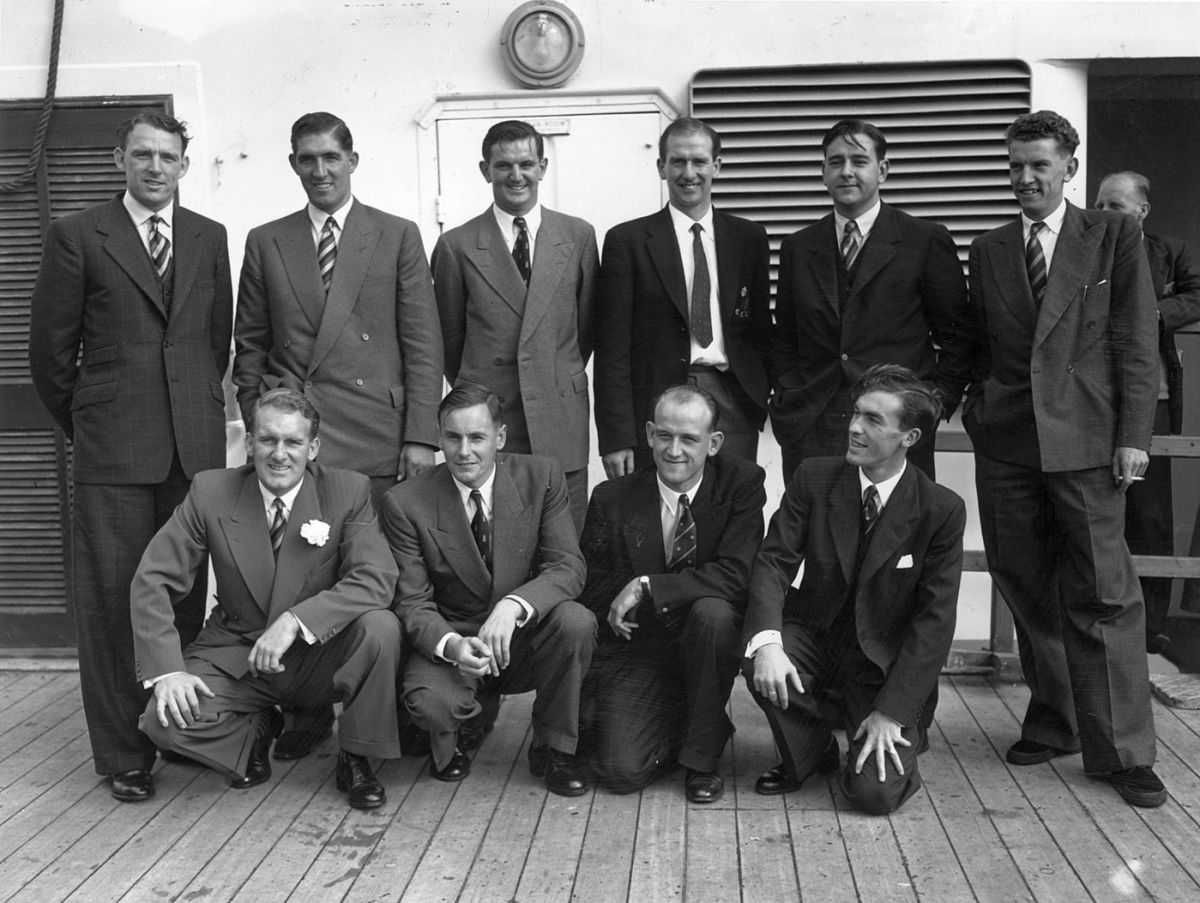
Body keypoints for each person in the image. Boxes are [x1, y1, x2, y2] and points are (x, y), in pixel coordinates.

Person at [28, 111, 232, 803]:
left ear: (183, 162)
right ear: (120, 159)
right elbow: (50, 358)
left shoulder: (210, 236)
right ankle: (123, 755)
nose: (154, 167)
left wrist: (194, 420)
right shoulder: (77, 235)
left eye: (167, 156)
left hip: (192, 454)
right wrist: (95, 426)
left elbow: (216, 344)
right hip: (113, 454)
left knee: (180, 601)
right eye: (141, 154)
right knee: (115, 605)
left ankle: (170, 731)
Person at [965, 111, 1165, 807]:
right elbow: (977, 345)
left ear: (1069, 169)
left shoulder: (1112, 234)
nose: (1025, 178)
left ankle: (1125, 750)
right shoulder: (989, 248)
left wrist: (1133, 433)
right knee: (1027, 584)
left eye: (1039, 165)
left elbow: (1137, 339)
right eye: (1015, 165)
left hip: (1087, 442)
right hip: (1010, 443)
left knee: (1105, 593)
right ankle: (1056, 720)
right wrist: (975, 405)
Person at [233, 111, 443, 758]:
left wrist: (419, 436)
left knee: (381, 579)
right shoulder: (268, 241)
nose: (320, 171)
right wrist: (270, 421)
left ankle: (390, 715)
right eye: (306, 159)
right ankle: (309, 706)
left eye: (331, 157)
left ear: (354, 159)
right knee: (302, 578)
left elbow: (422, 342)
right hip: (303, 447)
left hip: (378, 437)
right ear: (292, 164)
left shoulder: (396, 234)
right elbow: (250, 347)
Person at [131, 389, 401, 809]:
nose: (280, 454)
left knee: (380, 627)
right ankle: (254, 731)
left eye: (293, 442)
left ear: (313, 448)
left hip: (317, 654)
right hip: (239, 652)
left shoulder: (347, 490)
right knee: (163, 723)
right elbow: (152, 579)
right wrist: (167, 671)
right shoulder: (211, 491)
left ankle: (356, 755)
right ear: (250, 442)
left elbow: (376, 578)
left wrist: (296, 620)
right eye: (268, 439)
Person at [744, 364, 965, 814]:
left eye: (873, 420)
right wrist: (767, 644)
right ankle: (814, 750)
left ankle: (877, 735)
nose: (854, 428)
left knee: (874, 796)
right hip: (818, 639)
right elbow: (772, 563)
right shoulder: (814, 477)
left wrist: (893, 713)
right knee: (758, 657)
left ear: (910, 438)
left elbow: (934, 623)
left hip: (881, 668)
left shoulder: (940, 510)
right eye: (856, 413)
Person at [380, 385, 595, 796]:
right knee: (430, 706)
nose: (464, 451)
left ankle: (553, 748)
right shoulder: (405, 502)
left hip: (521, 637)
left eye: (477, 437)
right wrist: (453, 646)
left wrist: (514, 606)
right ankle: (461, 726)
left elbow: (567, 566)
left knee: (575, 621)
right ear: (439, 438)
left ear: (500, 437)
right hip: (455, 637)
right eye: (453, 438)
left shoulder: (541, 476)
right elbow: (411, 602)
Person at [579, 384, 765, 802]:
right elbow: (594, 593)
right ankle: (690, 721)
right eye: (664, 435)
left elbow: (738, 574)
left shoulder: (741, 484)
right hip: (642, 650)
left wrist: (650, 585)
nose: (674, 450)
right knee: (620, 772)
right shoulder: (612, 497)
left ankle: (702, 760)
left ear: (714, 443)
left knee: (713, 613)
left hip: (708, 646)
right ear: (648, 434)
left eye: (689, 439)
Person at [769, 119, 972, 480]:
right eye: (836, 162)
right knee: (816, 531)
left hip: (895, 426)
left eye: (859, 161)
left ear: (883, 170)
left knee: (895, 530)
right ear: (823, 172)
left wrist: (932, 406)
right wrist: (789, 399)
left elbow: (959, 337)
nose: (847, 172)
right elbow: (785, 338)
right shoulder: (798, 247)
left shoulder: (923, 240)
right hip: (814, 424)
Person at [432, 119, 598, 533]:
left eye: (526, 163)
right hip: (493, 416)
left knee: (564, 537)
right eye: (503, 165)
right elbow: (448, 341)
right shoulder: (456, 245)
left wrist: (547, 371)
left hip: (559, 414)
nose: (516, 175)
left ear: (543, 167)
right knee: (500, 535)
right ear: (485, 170)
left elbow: (587, 328)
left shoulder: (577, 235)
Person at [594, 117, 771, 476]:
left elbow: (759, 329)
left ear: (716, 166)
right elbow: (611, 348)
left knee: (732, 510)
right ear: (661, 167)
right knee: (659, 516)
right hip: (660, 403)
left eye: (699, 161)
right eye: (677, 161)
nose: (688, 173)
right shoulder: (627, 242)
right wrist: (616, 437)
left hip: (730, 398)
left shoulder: (748, 238)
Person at [1095, 171, 1200, 653]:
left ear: (1142, 211)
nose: (1105, 214)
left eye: (1116, 205)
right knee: (1094, 513)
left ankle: (1150, 624)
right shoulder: (1084, 249)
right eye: (1099, 204)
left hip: (1151, 401)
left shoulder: (1169, 251)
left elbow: (1198, 293)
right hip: (1092, 400)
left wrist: (1151, 313)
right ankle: (1100, 620)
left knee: (1152, 516)